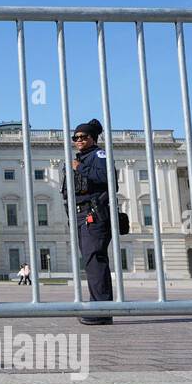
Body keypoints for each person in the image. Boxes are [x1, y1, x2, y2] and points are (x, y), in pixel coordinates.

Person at [62, 119, 115, 325]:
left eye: (83, 137)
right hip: (81, 216)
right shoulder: (81, 158)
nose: (79, 140)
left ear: (93, 138)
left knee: (95, 260)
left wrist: (80, 168)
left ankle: (102, 309)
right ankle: (99, 306)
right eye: (76, 138)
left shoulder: (98, 155)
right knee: (91, 262)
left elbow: (107, 177)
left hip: (94, 214)